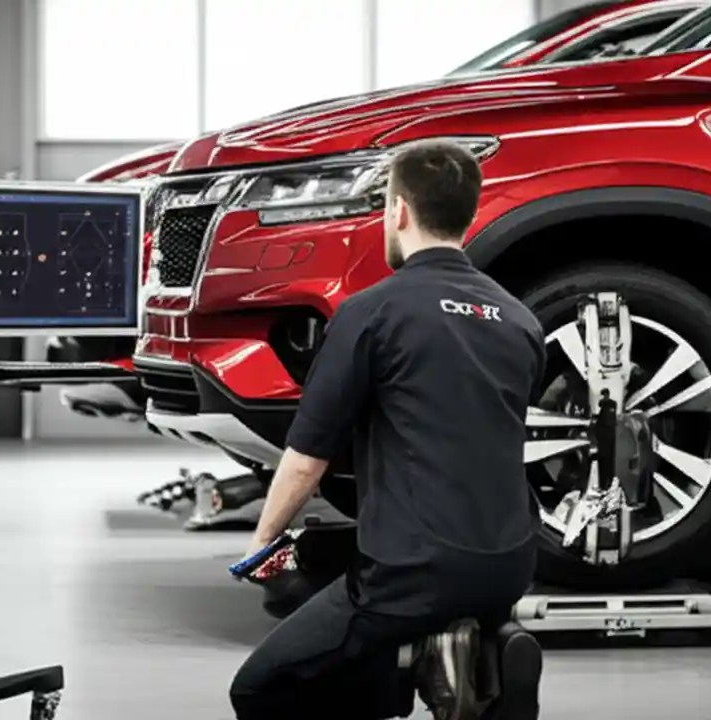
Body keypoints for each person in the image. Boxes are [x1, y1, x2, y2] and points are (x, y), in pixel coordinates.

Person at [229, 139, 546, 720]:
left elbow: (307, 458)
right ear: (469, 213)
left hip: (414, 572)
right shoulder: (519, 321)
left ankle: (417, 650)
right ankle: (470, 648)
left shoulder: (372, 311)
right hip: (509, 565)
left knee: (259, 689)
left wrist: (260, 545)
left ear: (398, 211)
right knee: (341, 570)